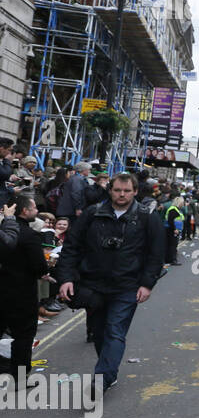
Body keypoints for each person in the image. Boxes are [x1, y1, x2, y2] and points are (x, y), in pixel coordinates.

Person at [55, 173, 165, 403]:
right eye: (117, 190)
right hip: (93, 285)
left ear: (135, 191)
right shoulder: (92, 214)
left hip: (127, 286)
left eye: (126, 191)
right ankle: (110, 373)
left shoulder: (147, 217)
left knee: (115, 331)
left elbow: (156, 254)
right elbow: (72, 246)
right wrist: (66, 278)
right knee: (99, 332)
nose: (121, 195)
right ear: (110, 190)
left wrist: (147, 284)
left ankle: (100, 380)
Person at [0, 196, 48, 379]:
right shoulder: (29, 235)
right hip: (21, 294)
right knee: (23, 336)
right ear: (24, 211)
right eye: (34, 208)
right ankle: (19, 378)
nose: (37, 211)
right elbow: (39, 267)